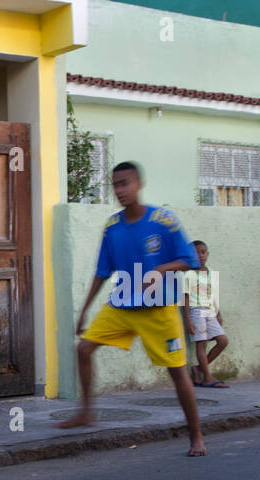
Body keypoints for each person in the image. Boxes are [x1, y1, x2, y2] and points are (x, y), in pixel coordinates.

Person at [61, 161, 207, 456]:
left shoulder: (164, 221)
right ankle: (87, 412)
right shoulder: (113, 227)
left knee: (177, 373)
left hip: (158, 308)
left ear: (139, 184)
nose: (120, 190)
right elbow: (102, 271)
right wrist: (85, 310)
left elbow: (190, 259)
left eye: (125, 183)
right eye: (115, 185)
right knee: (83, 349)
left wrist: (162, 269)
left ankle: (197, 436)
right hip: (122, 303)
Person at [181, 240, 229, 387]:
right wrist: (188, 320)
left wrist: (218, 313)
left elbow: (211, 295)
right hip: (196, 311)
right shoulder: (188, 274)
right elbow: (186, 298)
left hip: (209, 311)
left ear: (207, 254)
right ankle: (207, 377)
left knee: (223, 341)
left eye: (203, 252)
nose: (200, 256)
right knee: (201, 344)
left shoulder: (210, 273)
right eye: (196, 253)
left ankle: (199, 369)